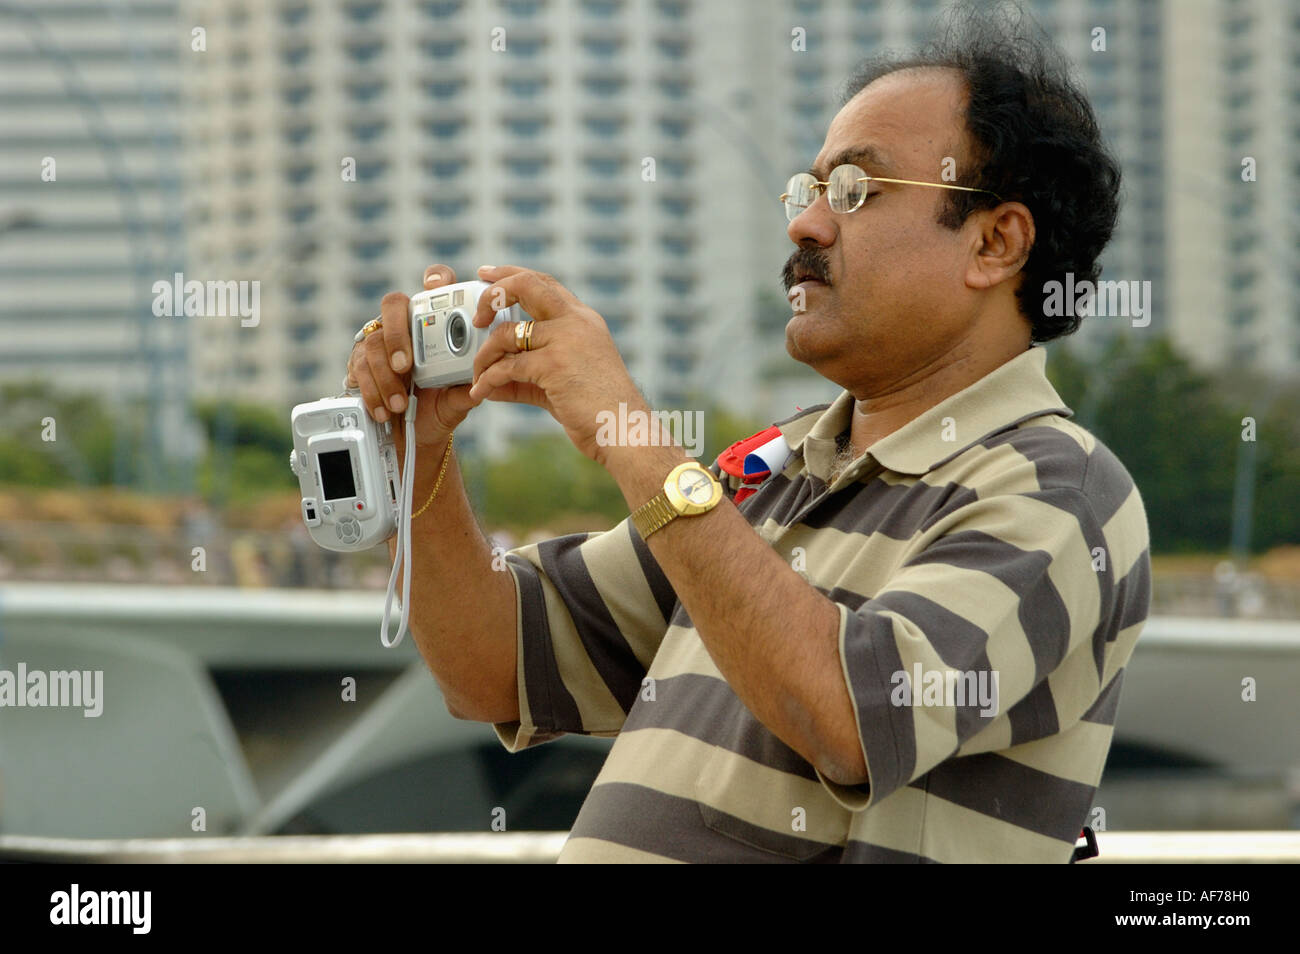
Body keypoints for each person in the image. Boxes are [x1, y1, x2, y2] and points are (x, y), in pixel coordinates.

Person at [345, 5, 1149, 863]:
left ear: (996, 242)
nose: (805, 225)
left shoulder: (1057, 490)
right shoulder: (776, 465)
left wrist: (630, 435)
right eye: (808, 191)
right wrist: (422, 454)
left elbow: (848, 716)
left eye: (855, 191)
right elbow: (491, 666)